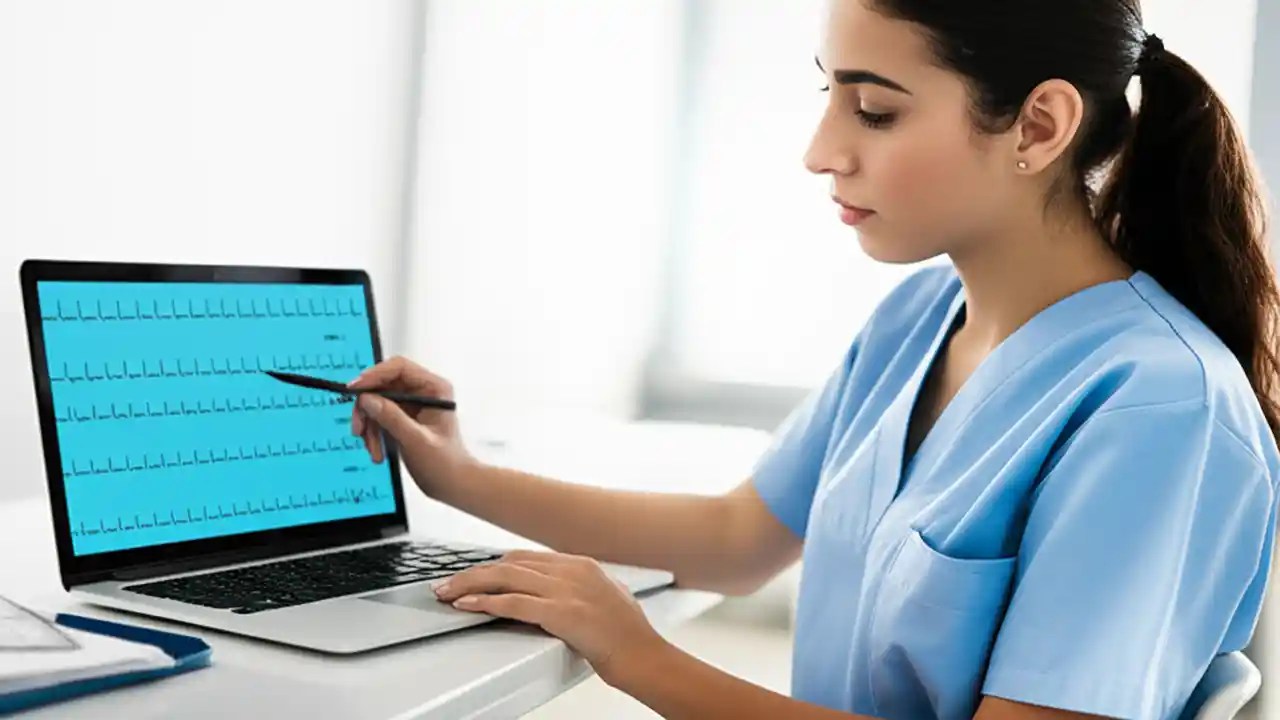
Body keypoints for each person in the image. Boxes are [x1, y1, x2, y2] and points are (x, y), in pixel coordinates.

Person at [348, 0, 1280, 717]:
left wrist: (635, 654)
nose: (820, 150)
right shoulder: (920, 316)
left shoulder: (1161, 413)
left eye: (874, 110)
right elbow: (736, 539)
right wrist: (460, 477)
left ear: (1037, 128)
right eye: (828, 95)